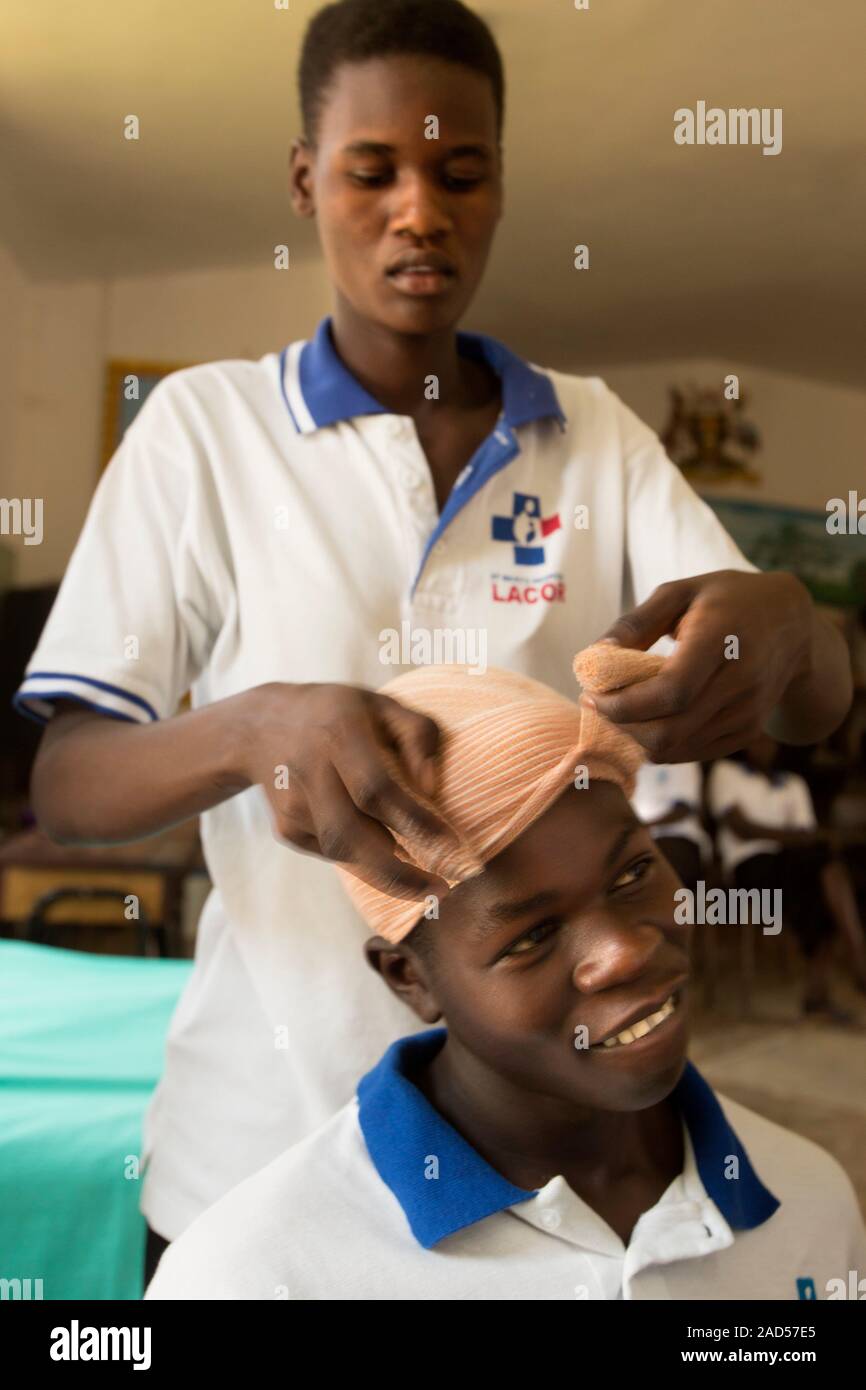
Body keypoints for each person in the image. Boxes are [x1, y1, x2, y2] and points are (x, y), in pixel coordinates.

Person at [14, 0, 852, 1284]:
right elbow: (68, 782)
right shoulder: (204, 432)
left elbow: (801, 699)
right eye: (372, 171)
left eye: (459, 171)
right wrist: (253, 724)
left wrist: (793, 629)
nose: (420, 209)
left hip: (549, 1140)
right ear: (305, 181)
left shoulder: (595, 438)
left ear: (499, 185)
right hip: (258, 1133)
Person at [144, 645, 866, 1300]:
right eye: (533, 935)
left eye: (635, 872)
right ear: (409, 979)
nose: (623, 951)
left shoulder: (807, 1201)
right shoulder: (256, 1274)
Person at [707, 734, 866, 1017]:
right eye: (757, 739)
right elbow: (742, 828)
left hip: (792, 864)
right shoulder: (726, 773)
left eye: (769, 741)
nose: (763, 746)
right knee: (821, 877)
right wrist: (790, 836)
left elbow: (805, 835)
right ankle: (852, 961)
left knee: (825, 881)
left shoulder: (793, 783)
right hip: (749, 864)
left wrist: (790, 838)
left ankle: (830, 981)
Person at [630, 761, 710, 894]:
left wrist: (642, 826)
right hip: (642, 839)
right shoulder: (632, 766)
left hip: (678, 836)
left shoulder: (682, 761)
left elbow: (683, 809)